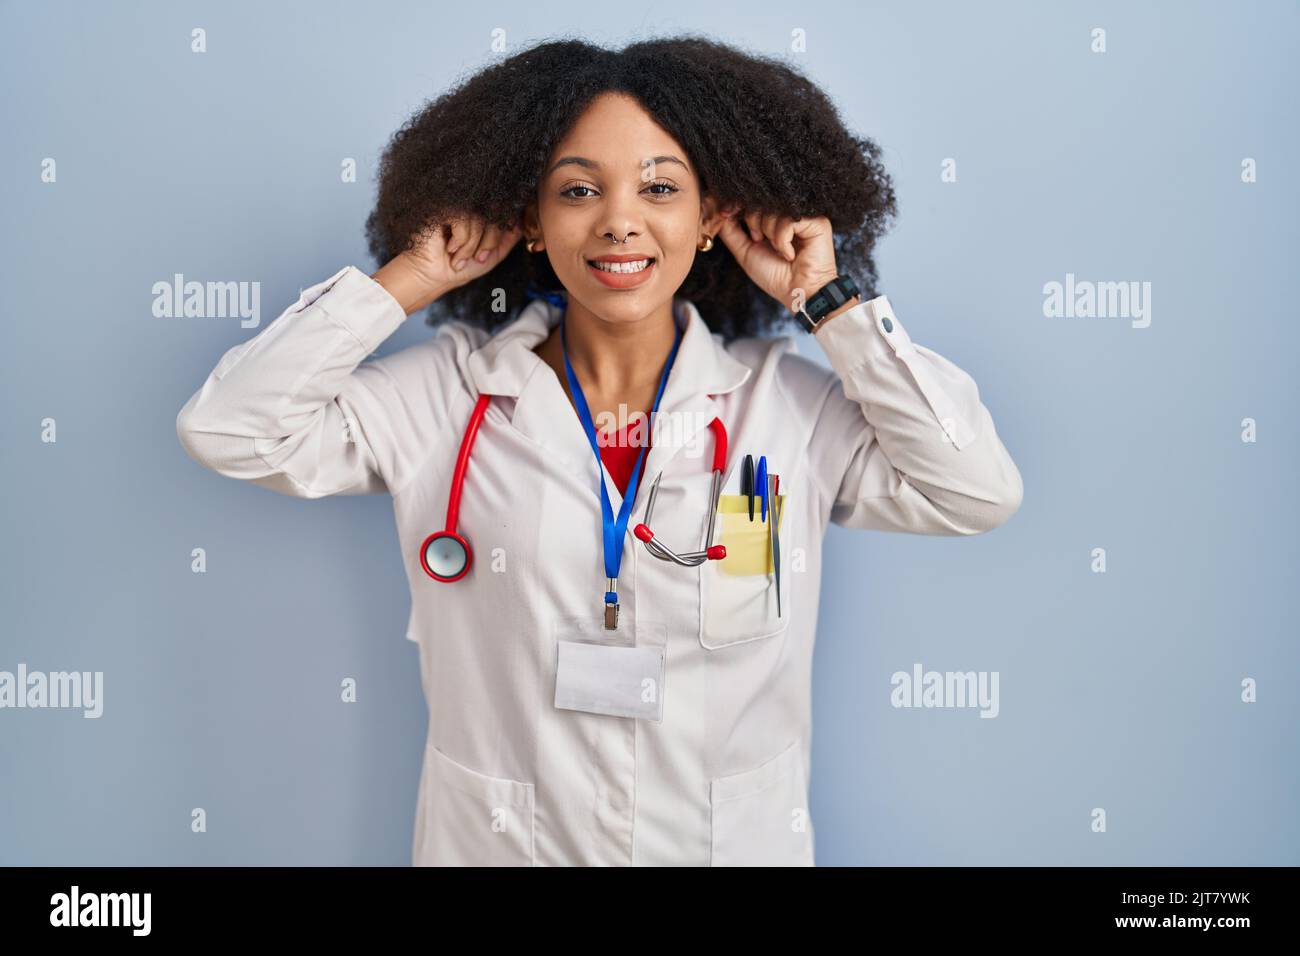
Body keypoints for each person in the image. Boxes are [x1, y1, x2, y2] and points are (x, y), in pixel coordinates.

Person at [175, 36, 1023, 866]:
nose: (621, 221)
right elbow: (230, 429)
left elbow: (974, 492)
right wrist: (411, 278)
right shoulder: (444, 399)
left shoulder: (786, 410)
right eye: (578, 190)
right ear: (531, 224)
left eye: (661, 187)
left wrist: (829, 301)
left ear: (711, 220)